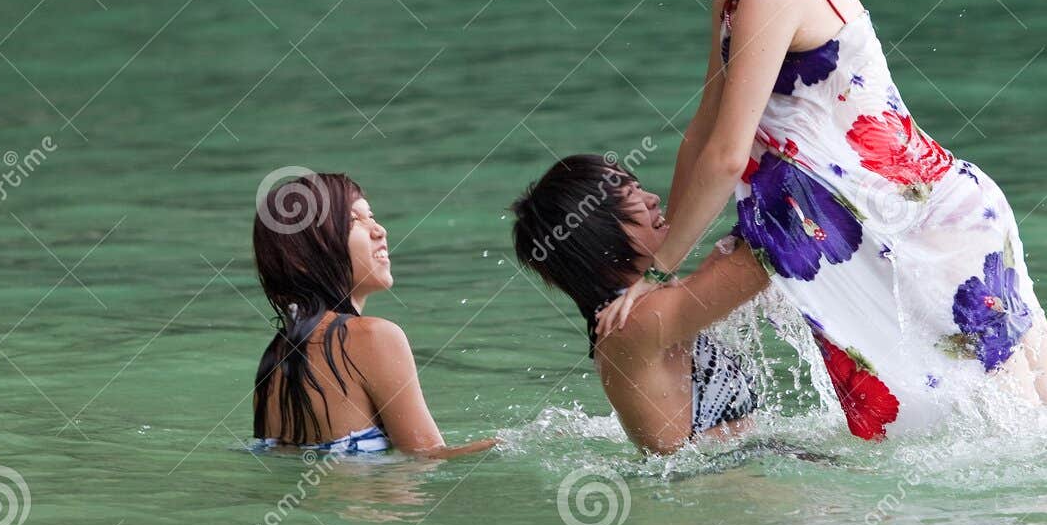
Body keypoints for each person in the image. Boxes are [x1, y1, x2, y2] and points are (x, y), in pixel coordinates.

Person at [594, 0, 1047, 439]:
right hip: (917, 220)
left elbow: (728, 156)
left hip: (927, 233)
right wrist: (664, 265)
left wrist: (658, 273)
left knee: (1028, 442)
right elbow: (702, 132)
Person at [512, 154, 769, 454]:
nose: (653, 199)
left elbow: (746, 248)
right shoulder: (635, 321)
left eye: (638, 186)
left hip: (738, 471)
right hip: (721, 479)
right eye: (629, 194)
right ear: (598, 232)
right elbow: (765, 260)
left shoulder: (647, 307)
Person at [252, 171, 497, 458]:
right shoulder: (374, 336)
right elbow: (428, 458)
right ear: (303, 257)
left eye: (371, 216)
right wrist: (511, 444)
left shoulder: (276, 359)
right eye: (353, 220)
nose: (379, 230)